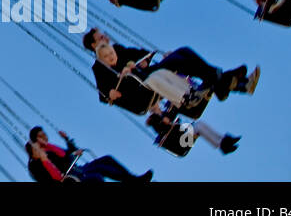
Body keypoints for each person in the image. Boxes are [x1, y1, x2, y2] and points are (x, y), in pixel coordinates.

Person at [83, 28, 259, 115]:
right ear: (93, 45)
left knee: (183, 52)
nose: (105, 37)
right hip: (136, 92)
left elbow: (142, 53)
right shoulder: (98, 67)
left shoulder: (119, 49)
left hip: (146, 76)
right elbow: (103, 94)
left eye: (104, 34)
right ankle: (225, 83)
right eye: (100, 37)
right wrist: (111, 93)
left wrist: (142, 60)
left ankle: (231, 84)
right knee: (176, 61)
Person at [26, 126, 152, 183]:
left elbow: (68, 153)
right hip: (71, 175)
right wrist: (43, 152)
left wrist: (67, 139)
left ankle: (133, 179)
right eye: (40, 136)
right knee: (99, 172)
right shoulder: (41, 158)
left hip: (78, 169)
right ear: (35, 141)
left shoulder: (51, 149)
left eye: (44, 134)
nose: (44, 137)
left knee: (107, 159)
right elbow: (63, 157)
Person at [146, 104, 240, 156]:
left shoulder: (163, 114)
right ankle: (221, 144)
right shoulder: (156, 120)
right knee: (198, 127)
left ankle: (223, 139)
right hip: (180, 143)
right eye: (156, 106)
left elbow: (173, 117)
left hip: (182, 137)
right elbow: (163, 130)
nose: (159, 106)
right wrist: (168, 123)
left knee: (200, 124)